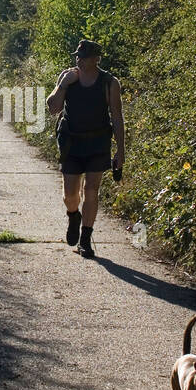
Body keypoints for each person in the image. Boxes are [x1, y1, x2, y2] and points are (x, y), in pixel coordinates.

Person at [46, 38, 125, 258]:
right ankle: (73, 215)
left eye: (84, 57)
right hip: (72, 142)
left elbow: (117, 118)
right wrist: (62, 84)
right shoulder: (69, 78)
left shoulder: (110, 83)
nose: (79, 60)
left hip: (98, 143)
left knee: (91, 190)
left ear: (96, 59)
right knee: (70, 195)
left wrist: (121, 150)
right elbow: (53, 108)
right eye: (77, 56)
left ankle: (85, 240)